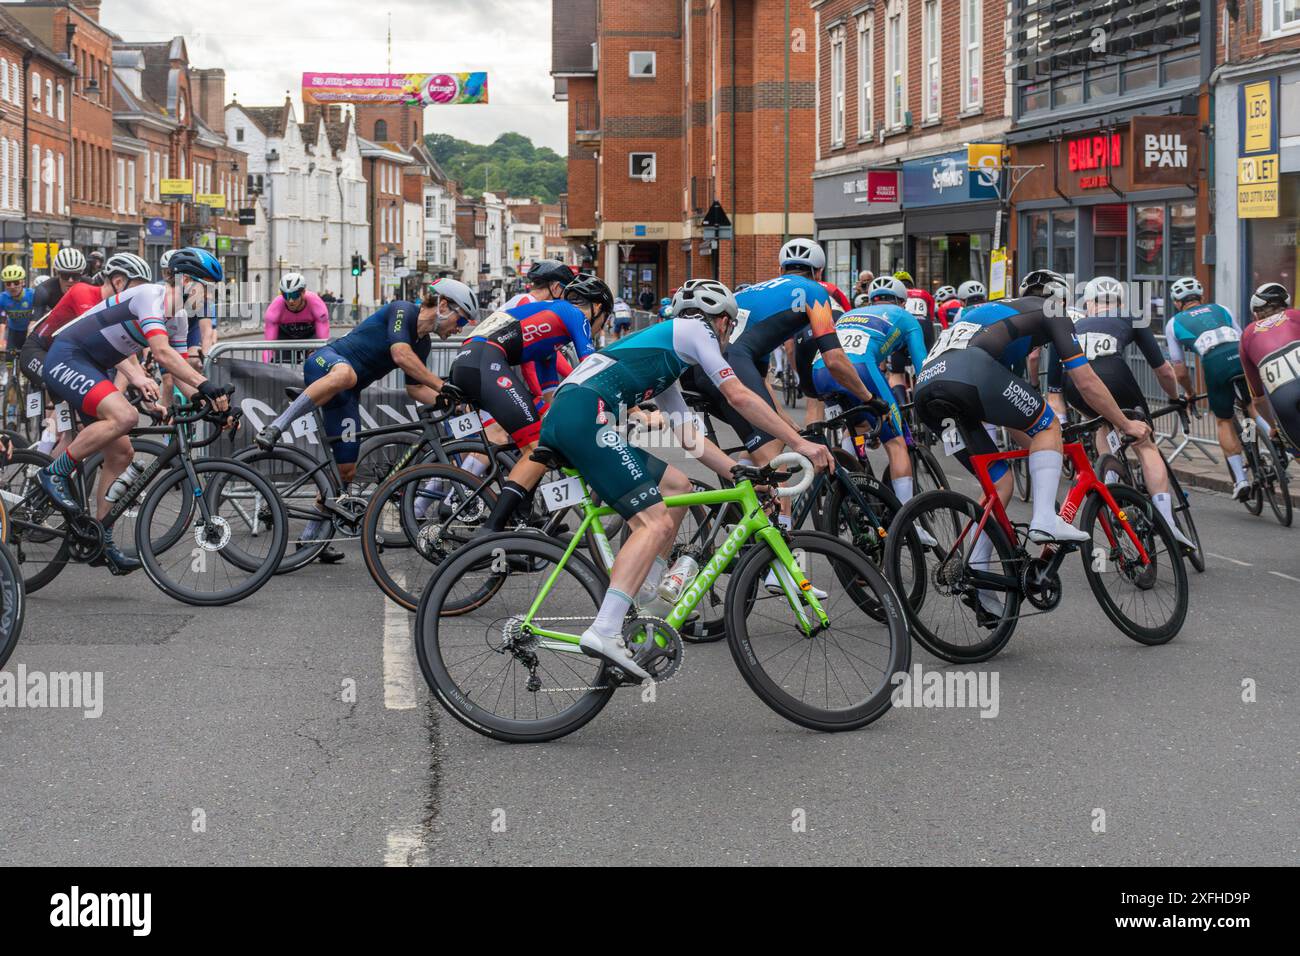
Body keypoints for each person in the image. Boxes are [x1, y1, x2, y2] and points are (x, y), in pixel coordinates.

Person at [537, 278, 832, 680]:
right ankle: (605, 629)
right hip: (585, 414)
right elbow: (740, 396)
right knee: (656, 521)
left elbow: (688, 436)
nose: (729, 334)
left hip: (575, 412)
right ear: (723, 321)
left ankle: (649, 595)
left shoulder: (670, 357)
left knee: (678, 486)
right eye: (730, 326)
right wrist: (799, 442)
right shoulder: (696, 331)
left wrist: (741, 474)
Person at [914, 268, 1149, 553]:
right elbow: (1085, 381)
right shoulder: (1053, 310)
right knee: (1049, 426)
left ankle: (976, 576)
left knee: (999, 484)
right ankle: (1046, 520)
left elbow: (1010, 412)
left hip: (926, 390)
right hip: (970, 375)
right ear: (1060, 298)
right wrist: (1125, 423)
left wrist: (1045, 457)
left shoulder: (998, 315)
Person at [38, 248, 223, 574]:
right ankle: (53, 472)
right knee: (125, 417)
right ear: (185, 281)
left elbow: (175, 372)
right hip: (67, 356)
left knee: (121, 454)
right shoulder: (150, 296)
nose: (210, 295)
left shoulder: (178, 317)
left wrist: (214, 403)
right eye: (207, 286)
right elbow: (163, 354)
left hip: (95, 367)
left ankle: (100, 539)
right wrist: (208, 386)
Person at [694, 239, 880, 472]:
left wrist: (788, 423)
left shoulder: (751, 292)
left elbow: (762, 381)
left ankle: (741, 501)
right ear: (819, 272)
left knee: (762, 443)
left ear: (780, 270)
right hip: (733, 362)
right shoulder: (815, 290)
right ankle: (778, 510)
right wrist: (869, 398)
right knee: (774, 453)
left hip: (701, 367)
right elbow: (833, 359)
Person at [450, 273, 610, 537]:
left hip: (471, 362)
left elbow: (550, 396)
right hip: (484, 362)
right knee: (537, 449)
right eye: (605, 321)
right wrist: (628, 406)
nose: (602, 328)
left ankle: (524, 517)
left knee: (541, 440)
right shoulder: (574, 314)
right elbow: (590, 367)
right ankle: (493, 529)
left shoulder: (550, 336)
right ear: (598, 308)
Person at [1043, 276, 1194, 548]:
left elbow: (1054, 393)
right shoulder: (1130, 316)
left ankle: (1110, 480)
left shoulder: (1069, 325)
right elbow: (1163, 370)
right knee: (1144, 442)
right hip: (1115, 377)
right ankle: (1167, 523)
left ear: (1088, 303)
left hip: (1076, 388)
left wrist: (1063, 424)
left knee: (1102, 422)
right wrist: (1176, 398)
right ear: (1121, 302)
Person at [809, 280, 933, 543]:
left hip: (821, 369)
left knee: (856, 427)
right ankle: (908, 524)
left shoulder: (851, 313)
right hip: (859, 368)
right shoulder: (906, 317)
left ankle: (854, 485)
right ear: (902, 302)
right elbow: (923, 369)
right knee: (897, 442)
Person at [1164, 276, 1251, 500]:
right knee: (1253, 405)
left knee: (1223, 420)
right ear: (1202, 297)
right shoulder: (1221, 308)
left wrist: (1190, 393)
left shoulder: (1174, 323)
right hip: (1240, 355)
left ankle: (1240, 480)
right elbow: (1243, 339)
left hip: (1215, 362)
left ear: (1176, 302)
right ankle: (1269, 438)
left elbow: (1180, 371)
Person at [1240, 305, 1300, 455]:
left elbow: (1258, 400)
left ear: (1255, 314)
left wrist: (1274, 427)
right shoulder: (1294, 314)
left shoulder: (1247, 334)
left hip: (1285, 400)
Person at [263, 273, 330, 360]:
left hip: (310, 335)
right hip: (286, 336)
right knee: (283, 364)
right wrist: (267, 367)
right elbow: (268, 347)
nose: (290, 300)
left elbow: (323, 341)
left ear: (303, 293)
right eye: (286, 296)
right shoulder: (275, 308)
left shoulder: (316, 304)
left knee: (316, 359)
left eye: (294, 295)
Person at [0, 264, 34, 352]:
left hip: (30, 332)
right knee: (9, 360)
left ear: (22, 282)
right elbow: (1, 320)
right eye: (8, 283)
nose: (12, 286)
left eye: (16, 282)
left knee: (27, 358)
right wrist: (1, 340)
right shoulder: (2, 298)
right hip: (13, 331)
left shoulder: (32, 295)